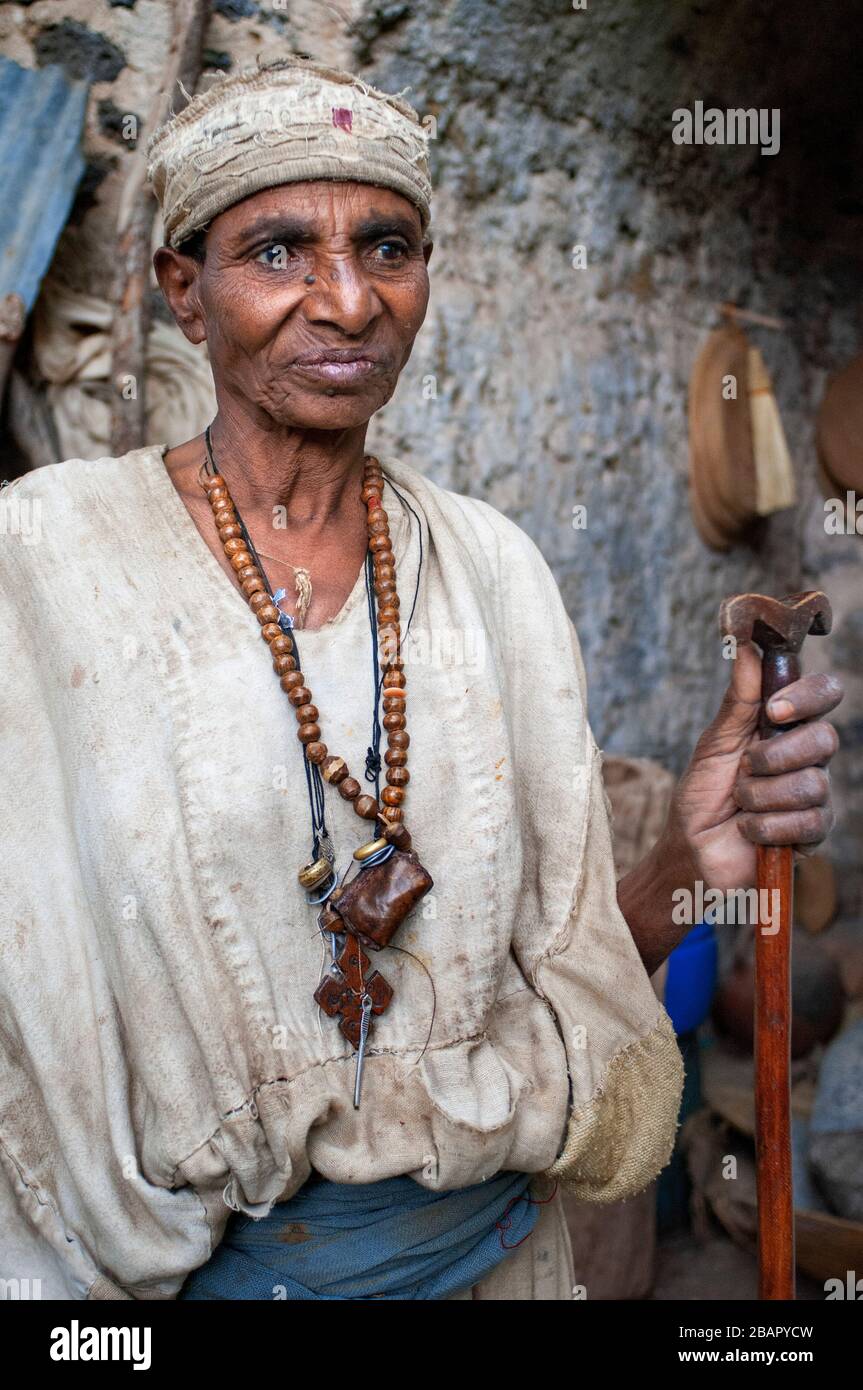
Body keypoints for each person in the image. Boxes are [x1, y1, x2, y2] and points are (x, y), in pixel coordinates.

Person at [0, 55, 842, 1301]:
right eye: (278, 251)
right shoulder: (52, 562)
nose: (345, 300)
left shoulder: (489, 565)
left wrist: (690, 864)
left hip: (501, 1261)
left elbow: (549, 971)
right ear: (183, 289)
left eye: (387, 247)